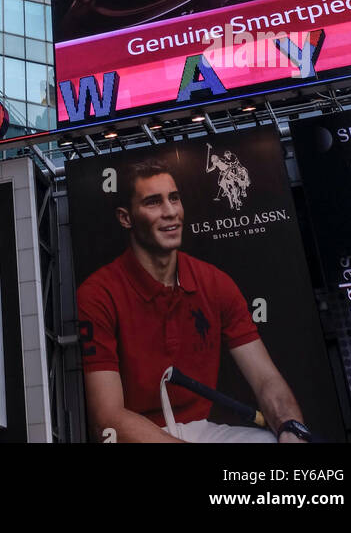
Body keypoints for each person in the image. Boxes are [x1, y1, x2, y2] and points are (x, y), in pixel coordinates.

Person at [77, 159, 311, 444]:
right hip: (137, 436)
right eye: (153, 202)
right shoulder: (98, 293)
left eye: (174, 198)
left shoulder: (215, 283)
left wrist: (290, 428)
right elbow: (108, 420)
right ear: (126, 218)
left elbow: (266, 379)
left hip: (202, 430)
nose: (170, 212)